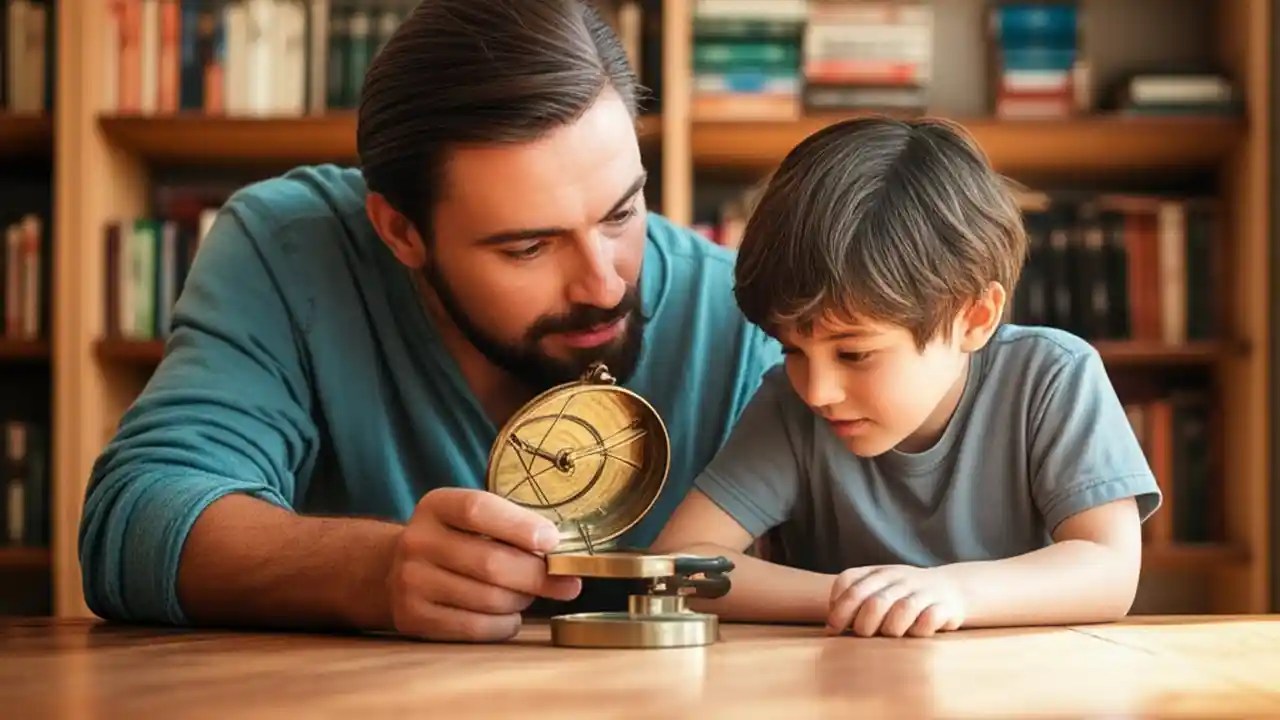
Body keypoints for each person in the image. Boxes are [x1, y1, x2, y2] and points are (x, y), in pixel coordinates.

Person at [78, 0, 780, 643]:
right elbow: (134, 522)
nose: (604, 283)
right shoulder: (289, 250)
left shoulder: (741, 311)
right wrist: (369, 571)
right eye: (528, 247)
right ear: (400, 231)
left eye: (623, 213)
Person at [650, 115, 1162, 638]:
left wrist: (955, 592)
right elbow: (679, 564)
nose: (819, 391)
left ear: (975, 317)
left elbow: (1110, 569)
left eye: (854, 354)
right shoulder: (790, 405)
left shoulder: (1051, 377)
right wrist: (857, 597)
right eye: (792, 350)